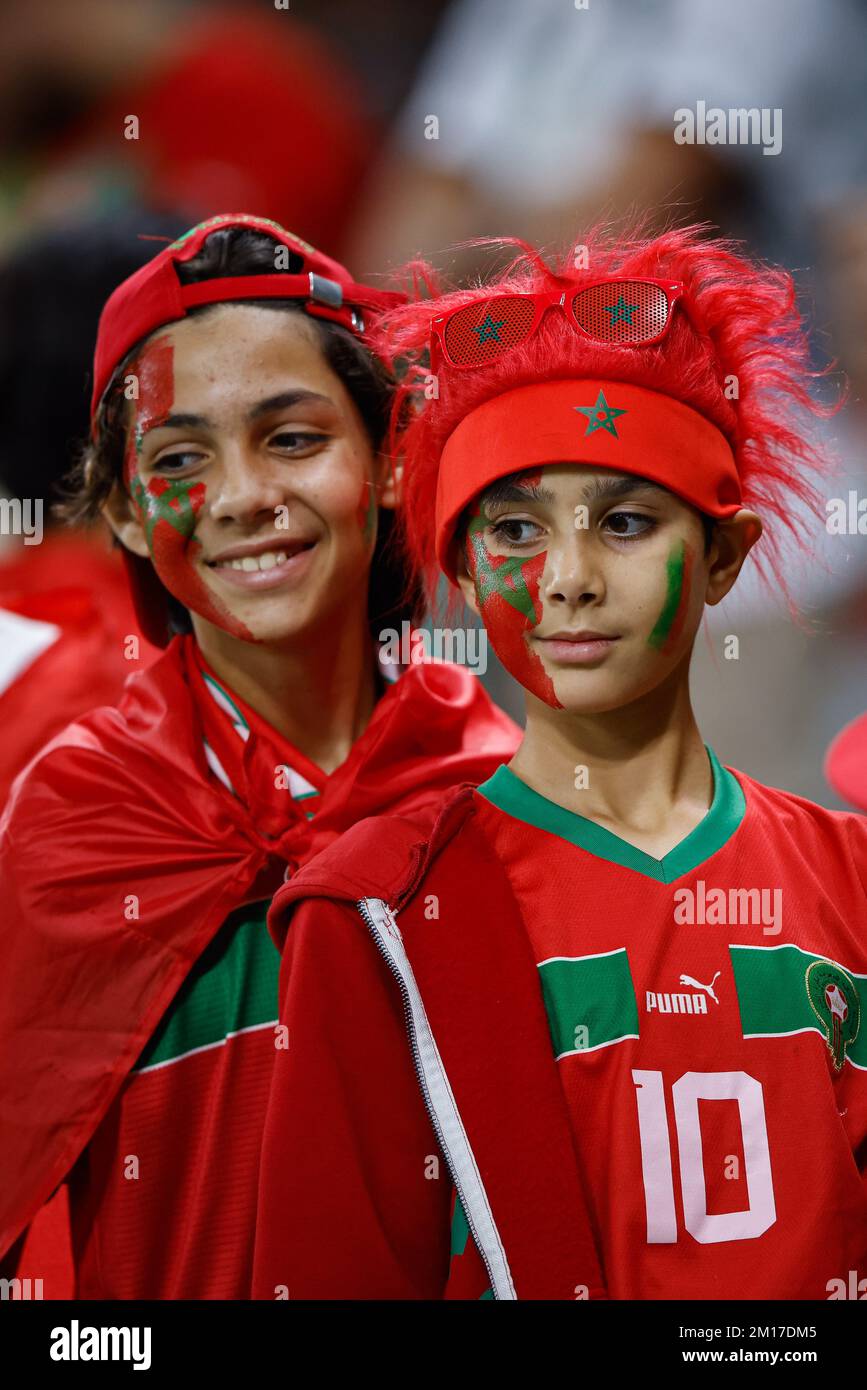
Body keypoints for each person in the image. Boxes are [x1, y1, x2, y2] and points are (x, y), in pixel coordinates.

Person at [253, 225, 867, 1300]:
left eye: (624, 521)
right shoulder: (377, 911)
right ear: (458, 562)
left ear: (724, 555)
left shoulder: (853, 877)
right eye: (514, 531)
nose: (568, 579)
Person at [0, 213, 519, 1299]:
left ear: (389, 461)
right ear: (130, 515)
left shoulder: (501, 797)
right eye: (180, 459)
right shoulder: (70, 817)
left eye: (291, 438)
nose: (240, 497)